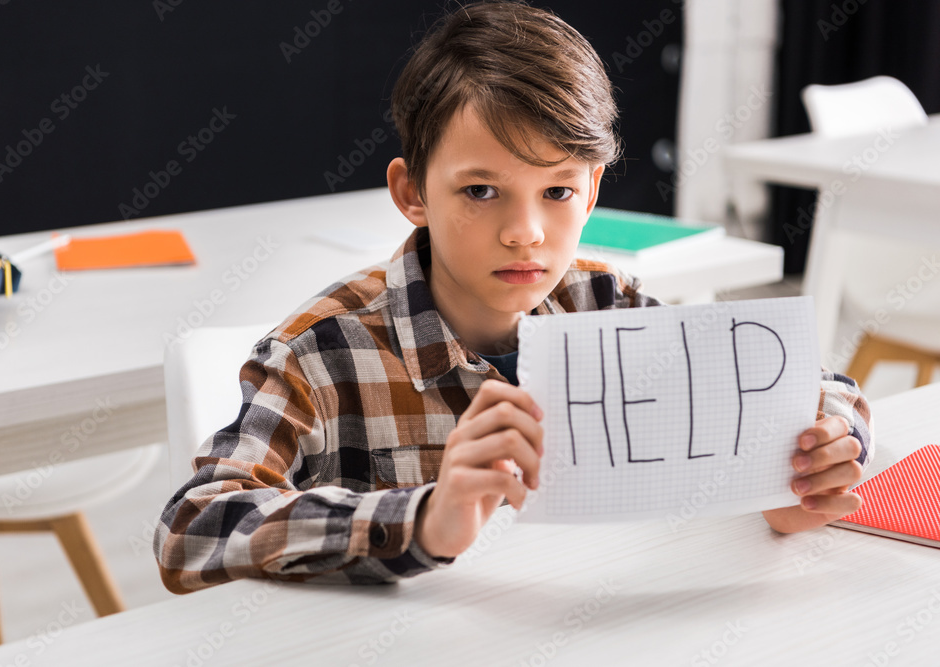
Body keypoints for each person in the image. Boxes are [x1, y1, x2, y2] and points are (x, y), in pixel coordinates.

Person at [154, 1, 872, 590]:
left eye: (557, 191)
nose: (525, 233)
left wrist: (803, 468)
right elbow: (190, 529)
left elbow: (818, 388)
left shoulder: (601, 302)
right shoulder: (321, 355)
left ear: (591, 191)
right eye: (481, 191)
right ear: (413, 192)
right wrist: (422, 517)